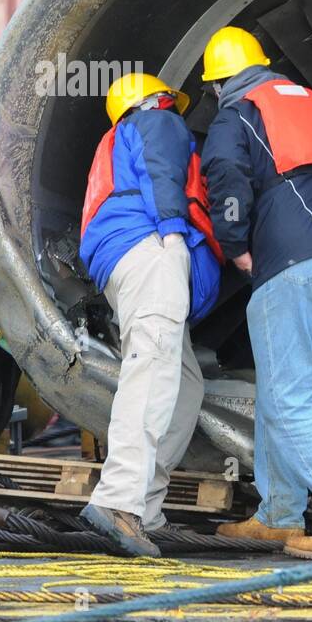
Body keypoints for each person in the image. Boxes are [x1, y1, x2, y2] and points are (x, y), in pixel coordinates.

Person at [200, 26, 312, 559]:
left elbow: (225, 176)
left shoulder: (235, 115)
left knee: (290, 397)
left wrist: (236, 247)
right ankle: (278, 513)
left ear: (221, 83)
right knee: (282, 389)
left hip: (294, 266)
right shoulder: (305, 101)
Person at [77, 72, 223, 557]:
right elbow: (162, 172)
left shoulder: (113, 143)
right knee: (152, 372)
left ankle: (145, 507)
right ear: (157, 99)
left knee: (184, 382)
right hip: (151, 248)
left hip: (129, 259)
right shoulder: (156, 122)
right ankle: (117, 501)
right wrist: (174, 234)